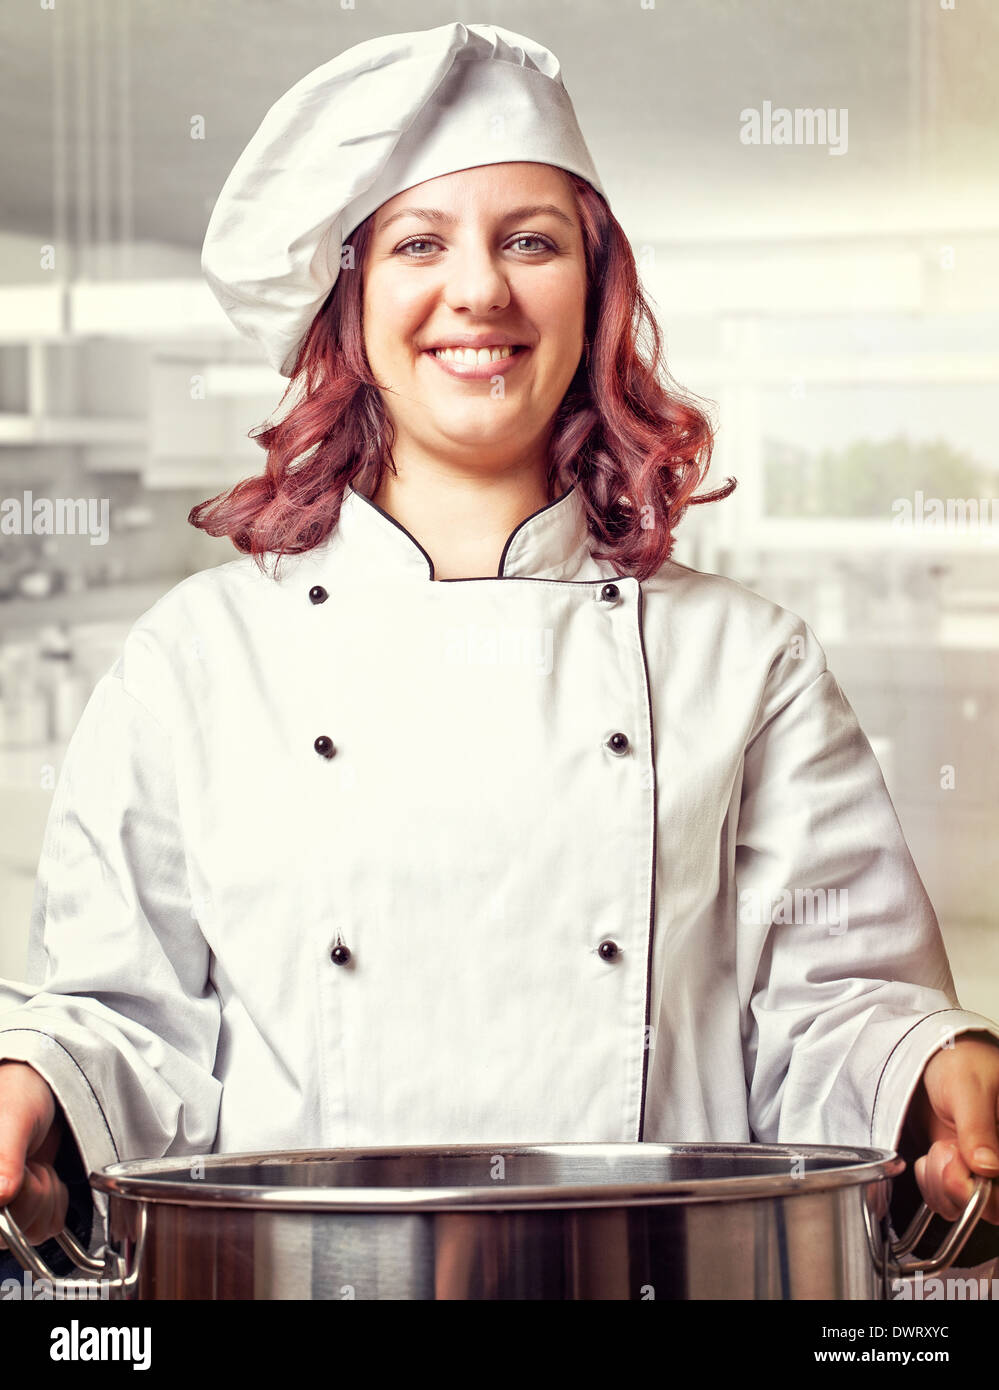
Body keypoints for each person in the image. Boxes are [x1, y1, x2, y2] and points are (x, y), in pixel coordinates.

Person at [1, 21, 997, 1278]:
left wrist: (933, 1068)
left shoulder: (743, 661)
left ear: (597, 289)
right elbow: (119, 1021)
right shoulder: (195, 661)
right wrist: (35, 1078)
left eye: (531, 240)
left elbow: (834, 1006)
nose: (480, 290)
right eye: (421, 243)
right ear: (349, 305)